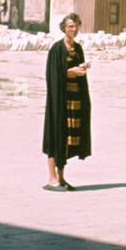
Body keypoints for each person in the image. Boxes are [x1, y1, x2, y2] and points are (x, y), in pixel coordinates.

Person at [42, 13, 91, 190]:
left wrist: (82, 68)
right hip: (59, 100)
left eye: (76, 26)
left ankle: (61, 177)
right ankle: (51, 178)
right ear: (64, 28)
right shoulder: (57, 49)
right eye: (70, 26)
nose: (74, 29)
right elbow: (53, 74)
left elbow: (76, 69)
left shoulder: (77, 48)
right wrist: (70, 72)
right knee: (55, 135)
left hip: (74, 99)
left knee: (68, 137)